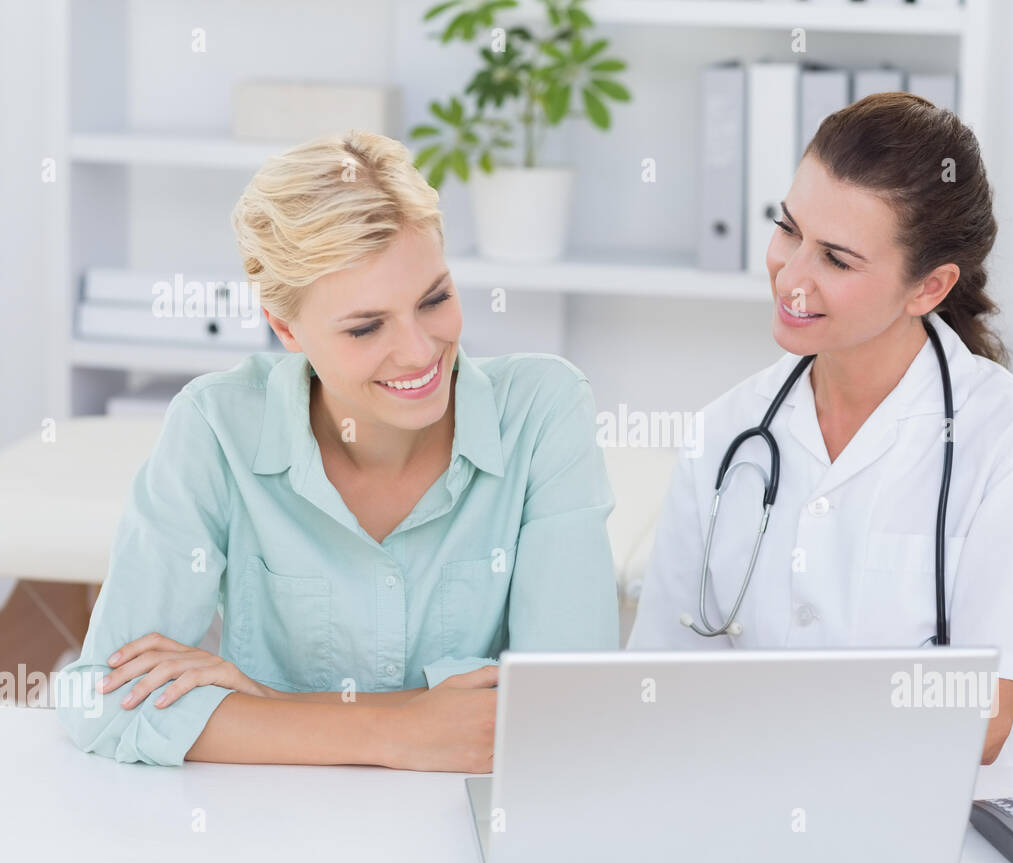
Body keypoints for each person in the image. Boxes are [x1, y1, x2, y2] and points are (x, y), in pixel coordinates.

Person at [57, 130, 619, 771]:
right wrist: (396, 732)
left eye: (434, 299)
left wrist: (270, 707)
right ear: (285, 327)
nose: (417, 351)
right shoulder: (216, 428)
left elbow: (568, 713)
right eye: (366, 326)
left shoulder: (544, 409)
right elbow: (99, 698)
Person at [627, 92, 1013, 767]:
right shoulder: (726, 434)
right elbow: (661, 683)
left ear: (928, 289)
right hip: (761, 807)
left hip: (955, 821)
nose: (791, 276)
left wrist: (757, 726)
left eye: (837, 261)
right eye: (789, 230)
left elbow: (985, 720)